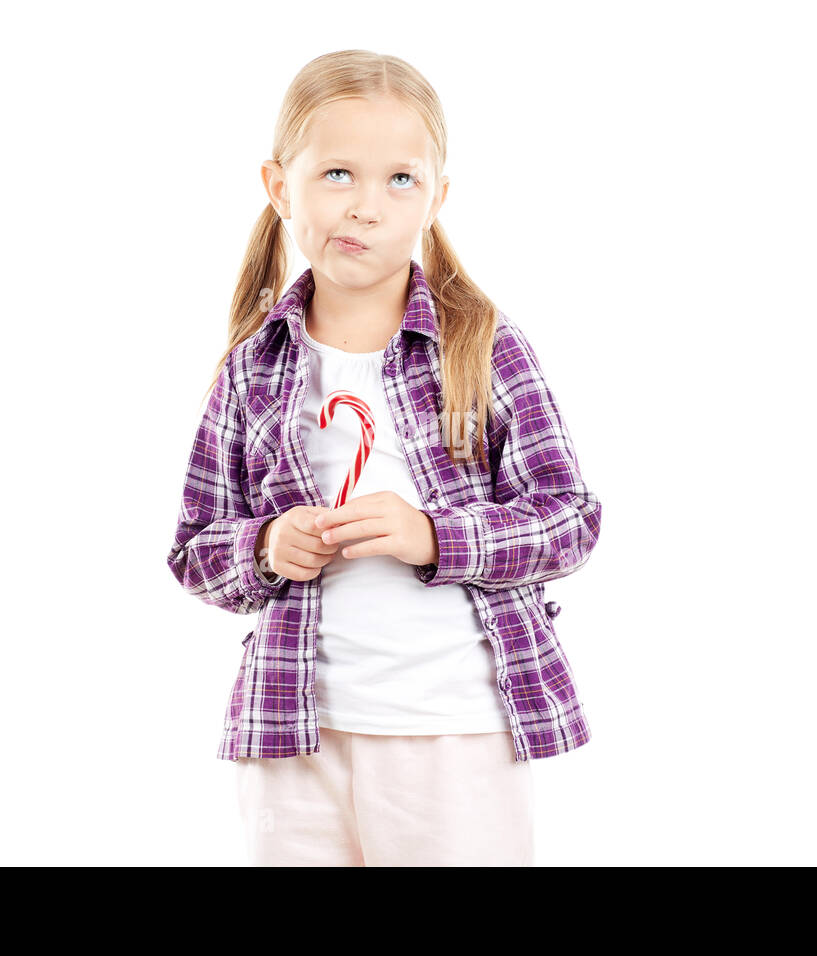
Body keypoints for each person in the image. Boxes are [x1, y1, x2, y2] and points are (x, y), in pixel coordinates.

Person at [166, 49, 602, 866]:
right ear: (278, 186)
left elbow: (570, 520)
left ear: (436, 198)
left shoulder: (484, 347)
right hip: (295, 734)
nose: (366, 207)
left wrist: (436, 536)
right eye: (337, 173)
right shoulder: (252, 366)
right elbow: (195, 548)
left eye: (400, 179)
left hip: (453, 732)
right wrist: (265, 548)